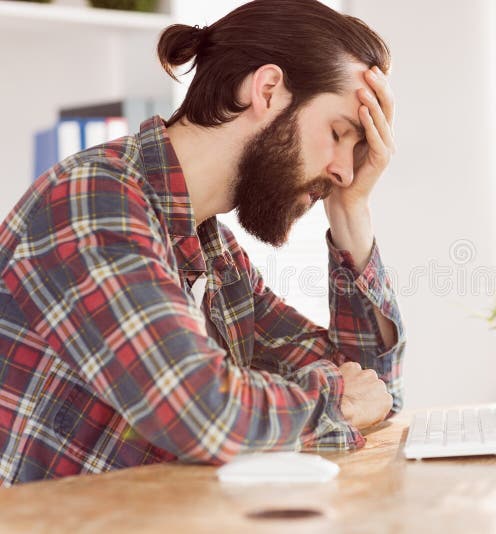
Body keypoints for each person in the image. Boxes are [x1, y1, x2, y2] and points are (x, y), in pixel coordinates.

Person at [0, 0, 405, 486]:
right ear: (268, 90)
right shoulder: (92, 198)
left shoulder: (215, 252)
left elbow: (372, 387)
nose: (344, 170)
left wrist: (350, 212)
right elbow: (199, 412)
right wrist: (335, 400)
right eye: (339, 133)